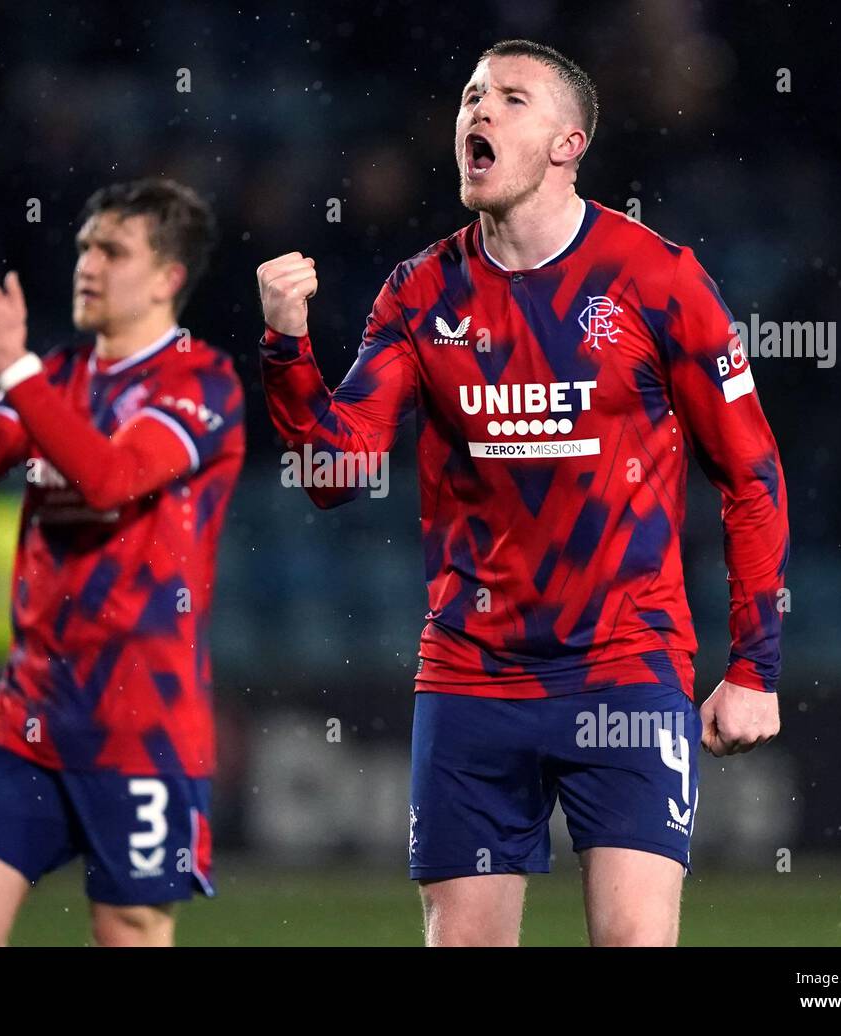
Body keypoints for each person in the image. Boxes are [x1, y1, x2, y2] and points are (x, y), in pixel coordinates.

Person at [255, 39, 788, 946]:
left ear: (567, 143)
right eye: (469, 96)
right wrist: (285, 347)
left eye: (509, 97)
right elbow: (337, 476)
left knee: (630, 941)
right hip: (472, 672)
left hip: (626, 662)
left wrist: (754, 667)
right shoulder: (419, 293)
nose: (478, 112)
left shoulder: (658, 277)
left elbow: (751, 473)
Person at [0, 178, 244, 946]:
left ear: (167, 277)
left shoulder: (202, 381)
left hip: (144, 725)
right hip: (27, 717)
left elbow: (110, 478)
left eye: (112, 250)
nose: (87, 265)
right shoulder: (57, 378)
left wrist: (14, 371)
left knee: (128, 932)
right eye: (85, 247)